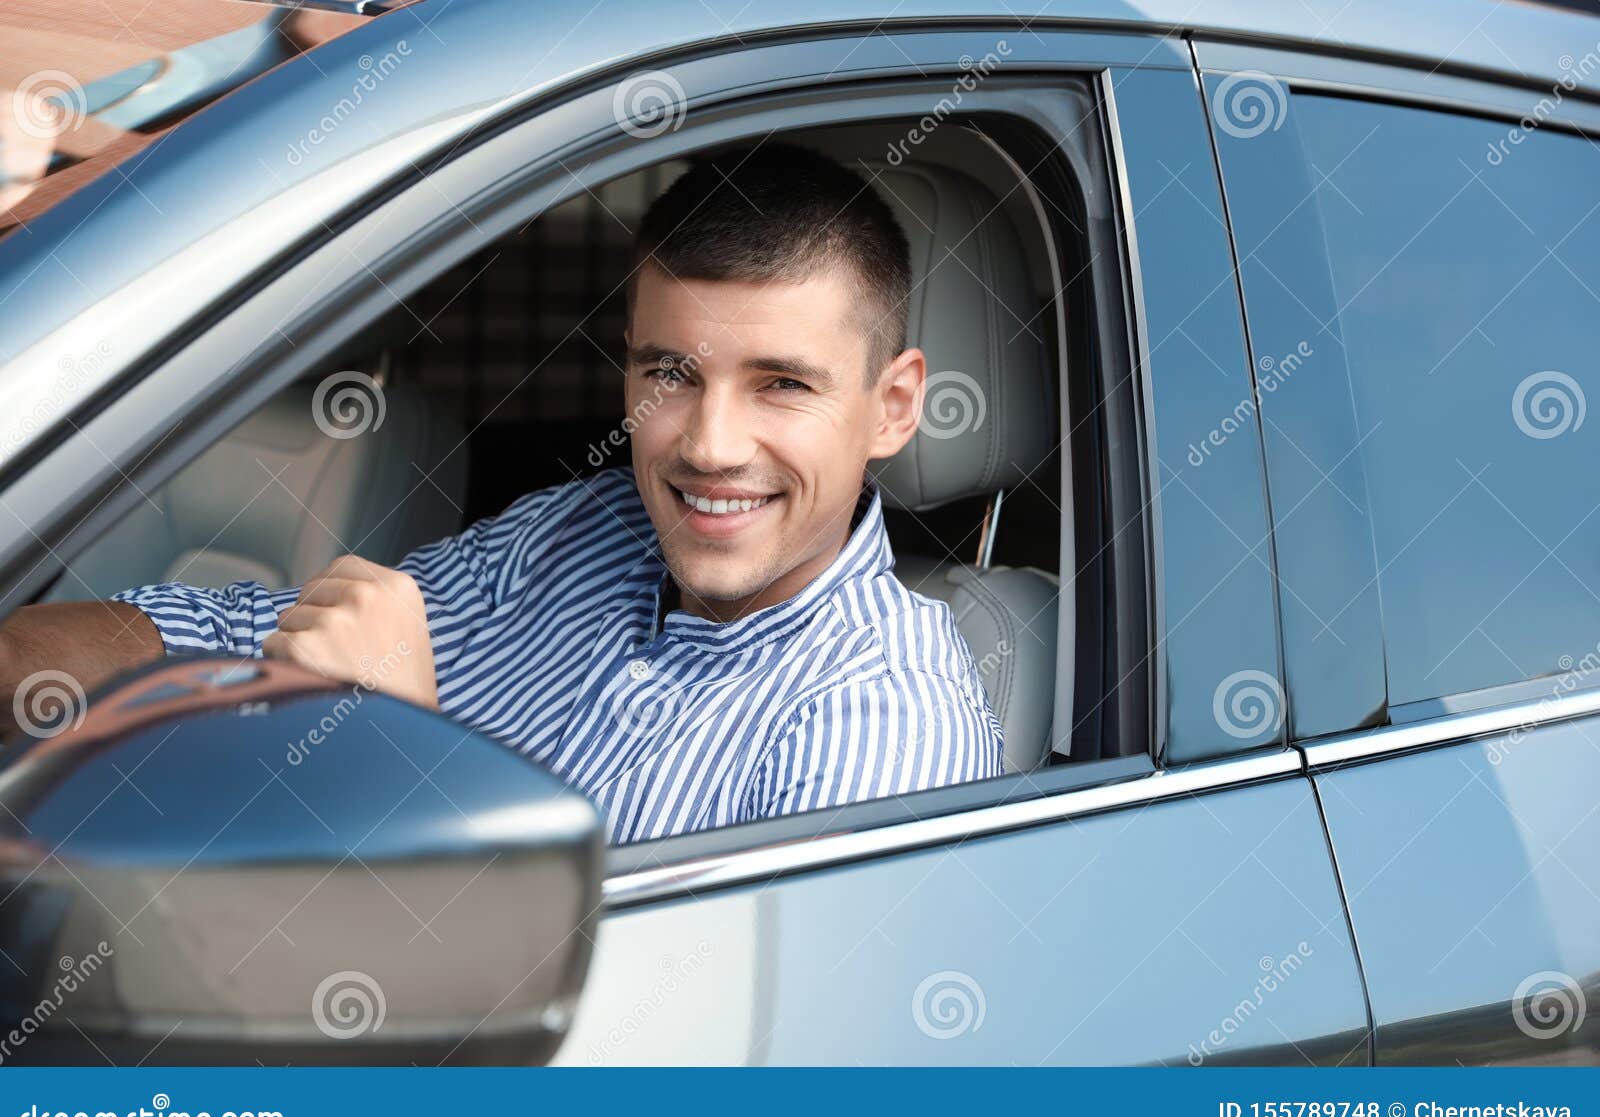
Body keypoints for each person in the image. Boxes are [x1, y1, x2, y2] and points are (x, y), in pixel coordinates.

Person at [0, 143, 1005, 843]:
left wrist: (407, 755)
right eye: (670, 373)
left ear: (892, 407)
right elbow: (252, 639)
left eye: (781, 384)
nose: (708, 444)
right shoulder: (579, 530)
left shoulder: (884, 722)